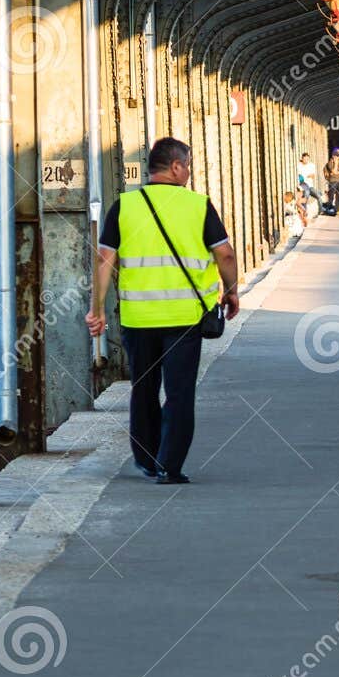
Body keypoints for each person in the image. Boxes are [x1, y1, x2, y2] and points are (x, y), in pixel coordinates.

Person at [86, 137, 239, 485]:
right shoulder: (198, 206)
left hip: (139, 319)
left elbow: (104, 260)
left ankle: (146, 458)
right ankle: (170, 466)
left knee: (144, 388)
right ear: (175, 167)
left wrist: (97, 310)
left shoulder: (124, 206)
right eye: (187, 164)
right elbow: (225, 255)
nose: (188, 171)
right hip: (184, 319)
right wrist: (230, 291)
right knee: (179, 391)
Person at [323, 150, 339, 215]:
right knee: (331, 196)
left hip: (338, 181)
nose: (338, 157)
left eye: (338, 156)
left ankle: (336, 210)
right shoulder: (329, 163)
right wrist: (336, 164)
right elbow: (334, 171)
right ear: (333, 156)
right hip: (332, 181)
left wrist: (337, 172)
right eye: (337, 156)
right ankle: (329, 209)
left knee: (338, 196)